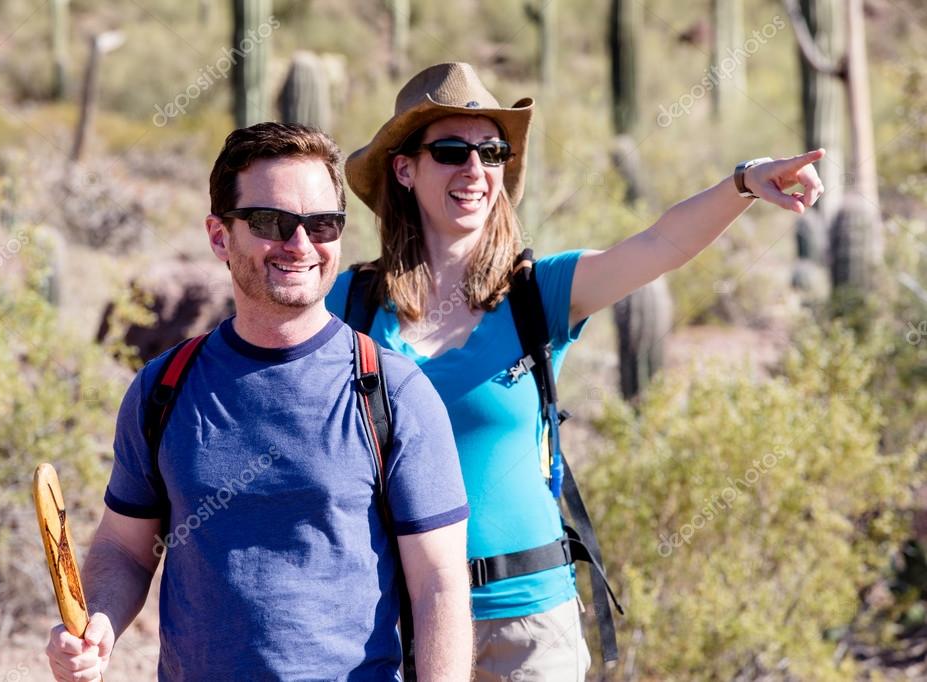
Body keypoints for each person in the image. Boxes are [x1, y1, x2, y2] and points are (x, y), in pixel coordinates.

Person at [326, 62, 824, 681]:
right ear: (404, 169)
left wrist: (744, 182)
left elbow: (659, 246)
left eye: (491, 150)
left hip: (530, 627)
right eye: (452, 151)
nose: (475, 170)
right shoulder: (350, 306)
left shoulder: (538, 293)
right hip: (398, 622)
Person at [44, 122, 473, 681]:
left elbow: (438, 581)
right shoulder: (164, 388)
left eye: (321, 224)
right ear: (220, 237)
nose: (300, 245)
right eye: (272, 223)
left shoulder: (392, 393)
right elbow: (126, 548)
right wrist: (97, 620)